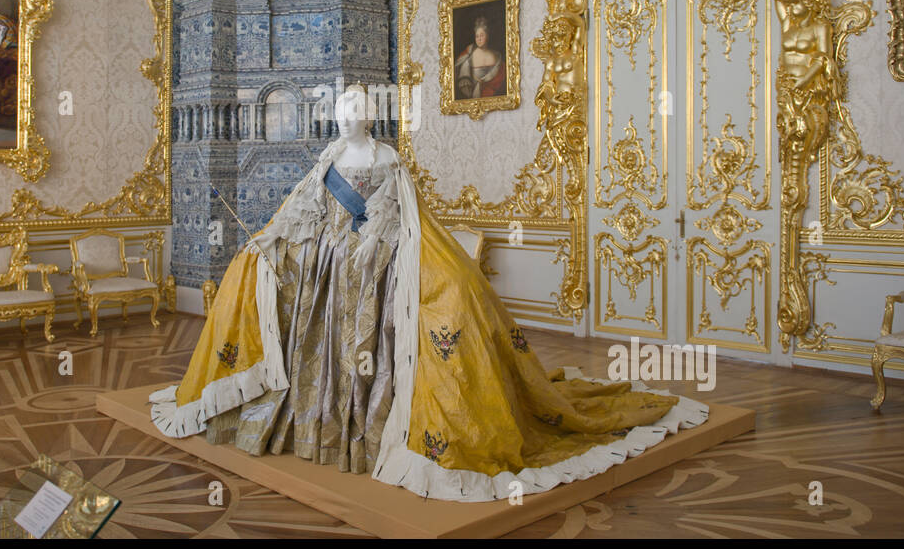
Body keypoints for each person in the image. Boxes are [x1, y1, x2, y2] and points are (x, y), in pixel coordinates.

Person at [151, 84, 709, 502]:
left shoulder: (387, 158)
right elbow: (302, 209)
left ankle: (374, 427)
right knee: (272, 273)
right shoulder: (328, 159)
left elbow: (396, 215)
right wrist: (269, 241)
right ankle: (312, 422)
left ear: (369, 116)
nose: (349, 119)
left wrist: (366, 244)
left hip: (376, 256)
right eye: (342, 113)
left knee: (449, 292)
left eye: (357, 112)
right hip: (331, 265)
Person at [454, 13, 506, 100]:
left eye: (482, 35)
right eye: (477, 36)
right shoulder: (469, 53)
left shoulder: (496, 56)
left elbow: (501, 78)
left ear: (487, 36)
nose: (479, 39)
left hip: (491, 96)